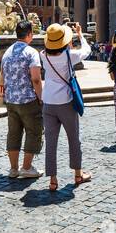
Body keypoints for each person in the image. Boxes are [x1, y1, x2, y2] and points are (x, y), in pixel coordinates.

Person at [40, 23, 92, 192]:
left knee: (51, 143)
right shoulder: (70, 56)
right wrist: (80, 34)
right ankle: (78, 174)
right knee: (73, 139)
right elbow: (87, 50)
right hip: (66, 103)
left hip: (48, 102)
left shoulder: (43, 56)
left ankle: (53, 181)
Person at [0, 19, 43, 179]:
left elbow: (2, 75)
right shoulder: (31, 52)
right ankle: (27, 167)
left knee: (13, 133)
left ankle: (13, 169)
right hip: (28, 99)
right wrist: (41, 97)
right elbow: (36, 79)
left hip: (10, 100)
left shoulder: (7, 52)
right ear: (29, 34)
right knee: (33, 132)